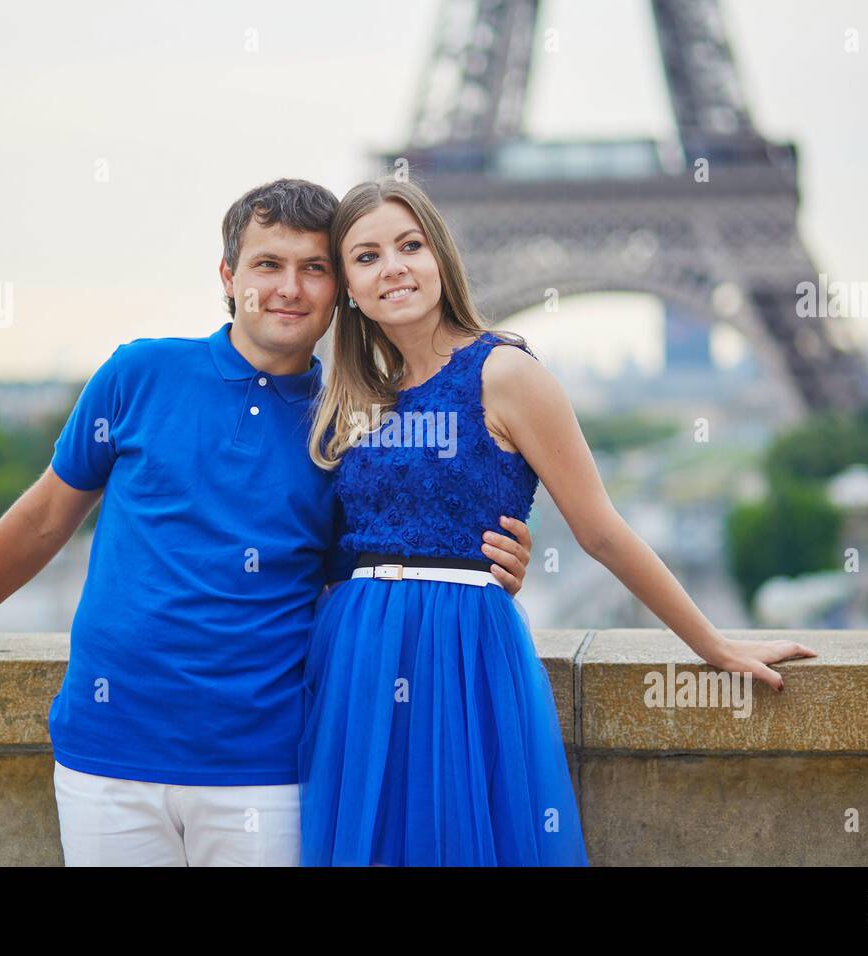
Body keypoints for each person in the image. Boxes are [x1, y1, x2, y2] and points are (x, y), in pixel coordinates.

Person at [0, 178, 534, 866]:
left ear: (339, 291)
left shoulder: (351, 426)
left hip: (265, 766)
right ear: (229, 276)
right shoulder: (138, 374)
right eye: (268, 265)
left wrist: (487, 560)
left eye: (313, 268)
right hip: (109, 751)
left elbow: (388, 551)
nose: (289, 287)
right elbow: (45, 517)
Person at [298, 177, 819, 866]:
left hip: (458, 649)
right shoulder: (353, 395)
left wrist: (715, 647)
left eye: (409, 245)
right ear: (349, 289)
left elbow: (600, 530)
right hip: (356, 653)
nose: (392, 266)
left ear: (441, 256)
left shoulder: (506, 373)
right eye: (366, 257)